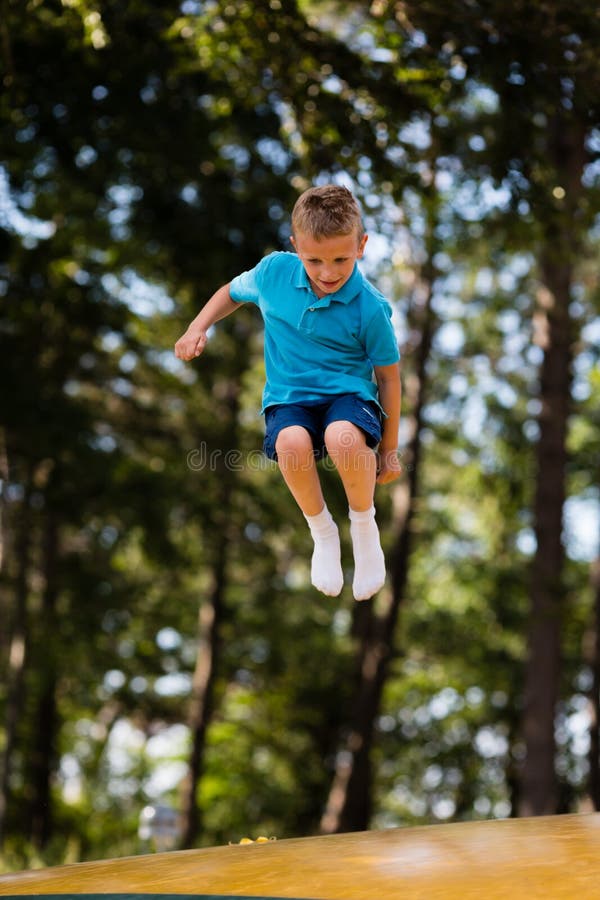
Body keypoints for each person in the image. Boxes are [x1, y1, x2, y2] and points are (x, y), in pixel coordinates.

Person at [175, 184, 402, 601]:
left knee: (343, 438)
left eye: (341, 258)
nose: (328, 271)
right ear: (296, 246)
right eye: (314, 259)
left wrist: (388, 449)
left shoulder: (369, 308)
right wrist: (197, 326)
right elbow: (231, 293)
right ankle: (324, 533)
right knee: (291, 443)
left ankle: (364, 528)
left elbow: (389, 377)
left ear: (362, 245)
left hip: (348, 395)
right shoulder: (273, 273)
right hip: (289, 396)